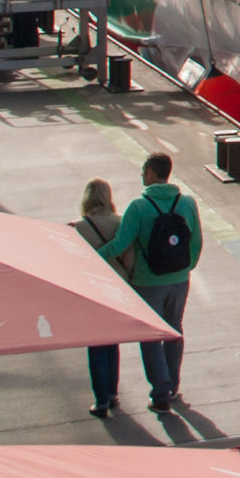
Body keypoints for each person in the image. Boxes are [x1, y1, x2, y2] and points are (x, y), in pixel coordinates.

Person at [99, 152, 201, 411]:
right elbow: (197, 241)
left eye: (144, 170)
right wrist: (187, 266)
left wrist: (92, 257)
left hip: (148, 282)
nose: (142, 174)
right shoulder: (187, 203)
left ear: (153, 173)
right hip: (179, 280)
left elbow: (121, 244)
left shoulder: (138, 207)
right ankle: (173, 386)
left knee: (151, 336)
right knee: (174, 329)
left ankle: (160, 393)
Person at [72, 178, 132, 417]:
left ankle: (101, 400)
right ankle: (113, 393)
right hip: (117, 289)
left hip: (92, 290)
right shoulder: (121, 223)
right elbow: (130, 259)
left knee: (96, 345)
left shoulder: (76, 227)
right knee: (112, 343)